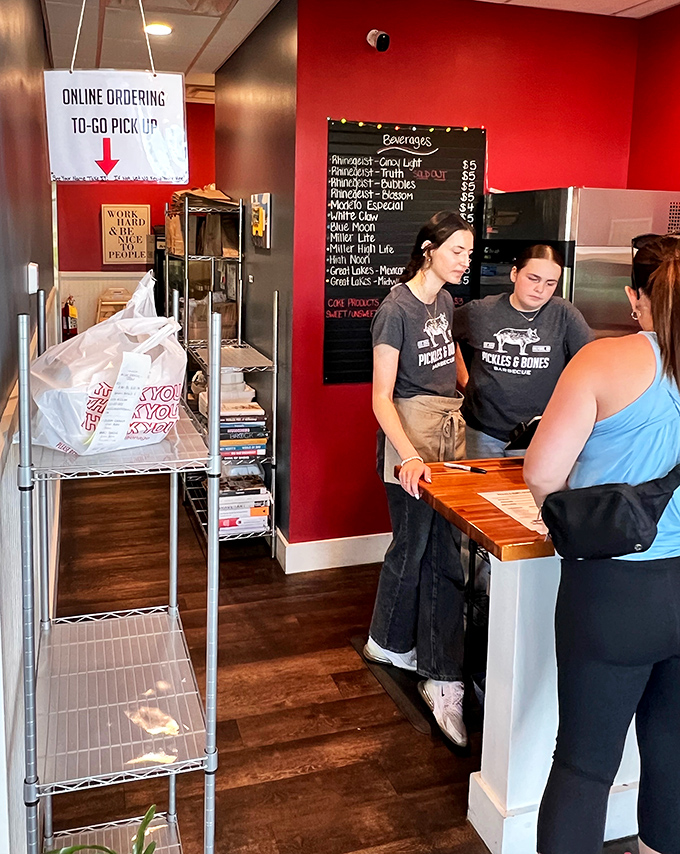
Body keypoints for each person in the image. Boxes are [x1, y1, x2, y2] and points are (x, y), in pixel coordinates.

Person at [524, 234, 680, 854]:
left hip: (615, 591)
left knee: (585, 765)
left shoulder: (602, 360)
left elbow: (540, 473)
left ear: (635, 298)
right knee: (671, 750)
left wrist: (569, 520)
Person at [363, 210, 474, 747]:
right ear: (429, 249)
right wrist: (407, 456)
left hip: (444, 432)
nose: (465, 261)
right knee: (413, 546)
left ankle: (421, 656)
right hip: (410, 437)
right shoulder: (395, 309)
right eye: (457, 251)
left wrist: (467, 386)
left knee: (438, 548)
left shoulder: (445, 300)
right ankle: (387, 643)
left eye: (470, 253)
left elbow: (447, 350)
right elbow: (381, 397)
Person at [452, 245, 592, 458]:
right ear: (514, 273)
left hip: (540, 435)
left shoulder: (564, 315)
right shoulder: (480, 311)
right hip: (481, 434)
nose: (540, 289)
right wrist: (463, 377)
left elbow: (591, 363)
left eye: (550, 283)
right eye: (533, 278)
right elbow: (444, 337)